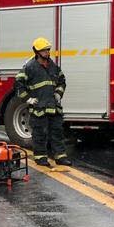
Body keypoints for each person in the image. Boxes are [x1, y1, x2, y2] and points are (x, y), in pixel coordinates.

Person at [14, 37, 70, 167]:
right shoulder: (29, 67)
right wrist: (27, 99)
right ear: (37, 52)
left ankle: (60, 157)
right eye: (44, 50)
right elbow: (18, 84)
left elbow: (62, 81)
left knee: (57, 133)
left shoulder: (53, 66)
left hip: (53, 107)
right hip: (38, 108)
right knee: (40, 134)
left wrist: (58, 93)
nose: (47, 52)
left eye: (48, 50)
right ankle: (40, 157)